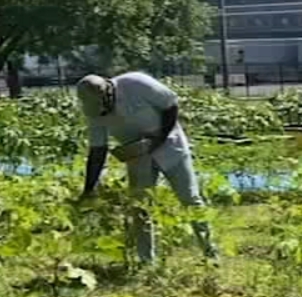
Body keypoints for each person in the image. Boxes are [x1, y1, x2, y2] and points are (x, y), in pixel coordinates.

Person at [76, 73, 216, 265]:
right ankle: (146, 262)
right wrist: (89, 188)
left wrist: (159, 139)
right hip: (137, 153)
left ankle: (210, 254)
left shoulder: (136, 83)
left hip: (170, 145)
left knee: (190, 199)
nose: (102, 111)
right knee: (140, 208)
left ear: (108, 93)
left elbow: (170, 105)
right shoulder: (93, 112)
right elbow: (98, 149)